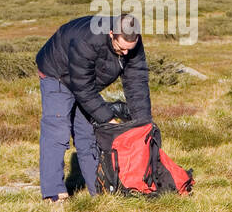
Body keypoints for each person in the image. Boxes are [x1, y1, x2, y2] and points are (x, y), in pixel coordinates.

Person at [34, 12, 152, 200]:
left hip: (86, 82)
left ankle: (98, 191)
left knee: (87, 133)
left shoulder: (131, 41)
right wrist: (108, 119)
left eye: (130, 49)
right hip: (56, 72)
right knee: (57, 129)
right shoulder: (88, 39)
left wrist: (143, 122)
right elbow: (82, 86)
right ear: (112, 34)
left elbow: (136, 81)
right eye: (121, 49)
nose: (126, 54)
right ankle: (54, 193)